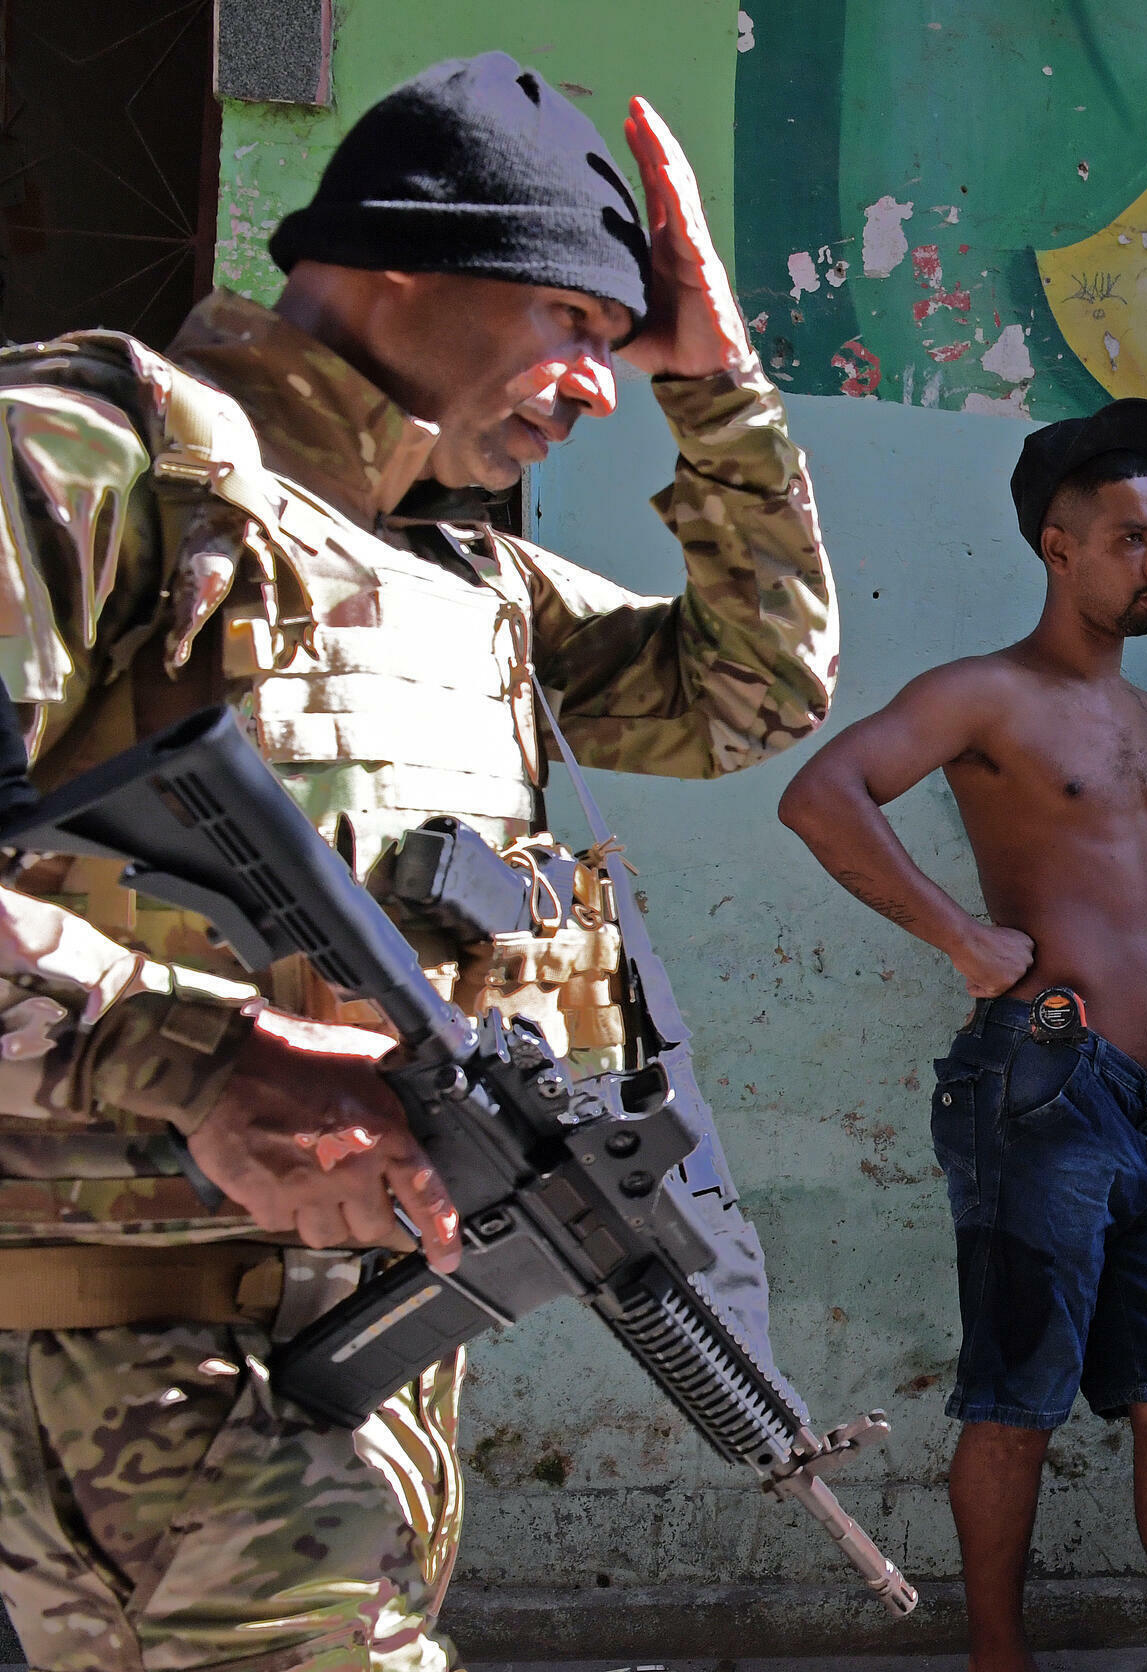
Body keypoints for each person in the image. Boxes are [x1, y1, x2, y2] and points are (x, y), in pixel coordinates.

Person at [0, 54, 838, 1671]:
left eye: (620, 339)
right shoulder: (97, 462)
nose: (601, 383)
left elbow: (753, 686)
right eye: (572, 321)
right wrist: (196, 1053)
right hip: (148, 1366)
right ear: (402, 259)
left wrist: (720, 387)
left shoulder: (469, 586)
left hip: (355, 1372)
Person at [775, 398, 1147, 1672]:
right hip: (1037, 1083)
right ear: (1059, 550)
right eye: (1129, 540)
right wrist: (959, 936)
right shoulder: (985, 694)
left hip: (1140, 1108)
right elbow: (820, 793)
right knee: (1018, 1406)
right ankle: (996, 1661)